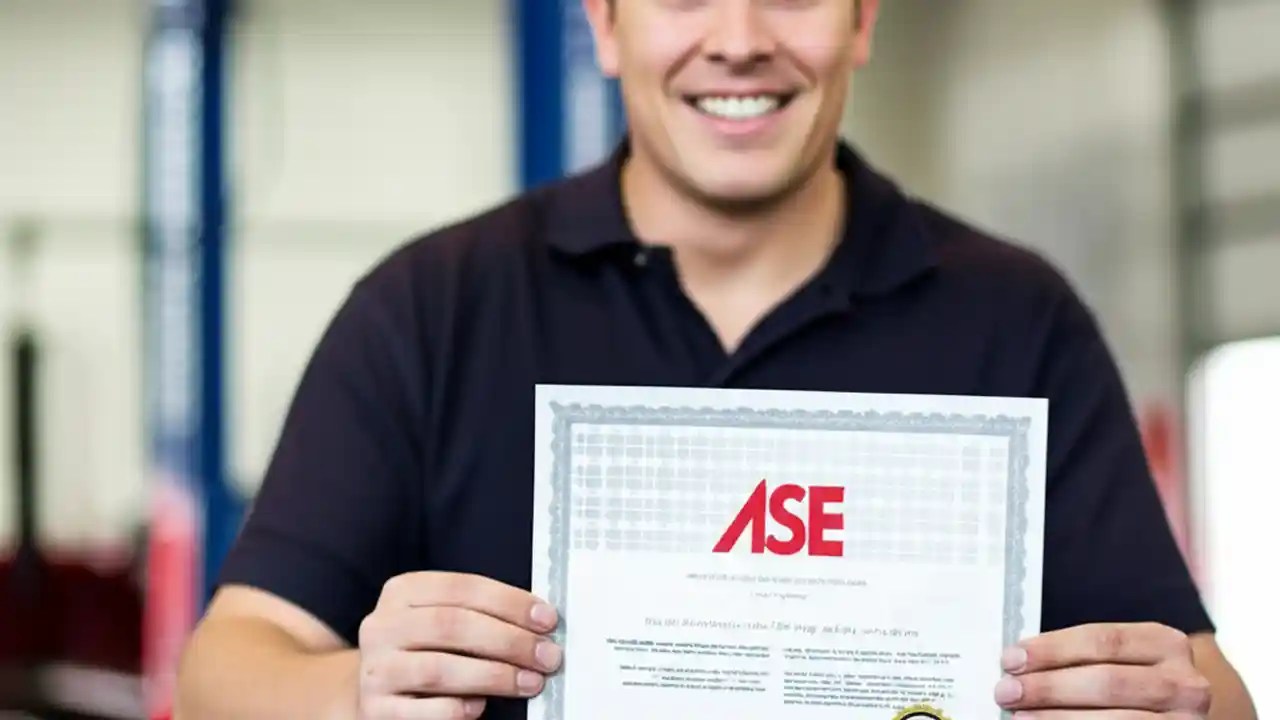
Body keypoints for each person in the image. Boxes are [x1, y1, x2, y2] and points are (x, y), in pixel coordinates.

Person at [175, 0, 1257, 718]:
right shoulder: (434, 307)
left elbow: (1216, 688)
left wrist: (1167, 700)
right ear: (602, 21)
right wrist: (353, 691)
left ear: (860, 18)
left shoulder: (1014, 319)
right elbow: (224, 667)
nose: (737, 37)